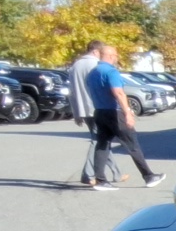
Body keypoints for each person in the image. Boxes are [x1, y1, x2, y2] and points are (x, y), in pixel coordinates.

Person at [88, 45, 164, 191]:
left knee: (102, 145)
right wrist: (127, 112)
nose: (117, 58)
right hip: (115, 113)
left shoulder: (92, 73)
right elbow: (119, 93)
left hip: (99, 112)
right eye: (116, 56)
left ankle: (100, 180)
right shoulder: (111, 71)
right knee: (132, 145)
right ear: (110, 56)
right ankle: (148, 176)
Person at [69, 40, 120, 186]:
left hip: (83, 108)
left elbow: (71, 92)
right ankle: (88, 174)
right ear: (96, 52)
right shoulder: (95, 66)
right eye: (102, 53)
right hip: (97, 107)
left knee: (103, 139)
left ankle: (116, 173)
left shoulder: (75, 66)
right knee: (99, 141)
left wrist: (76, 112)